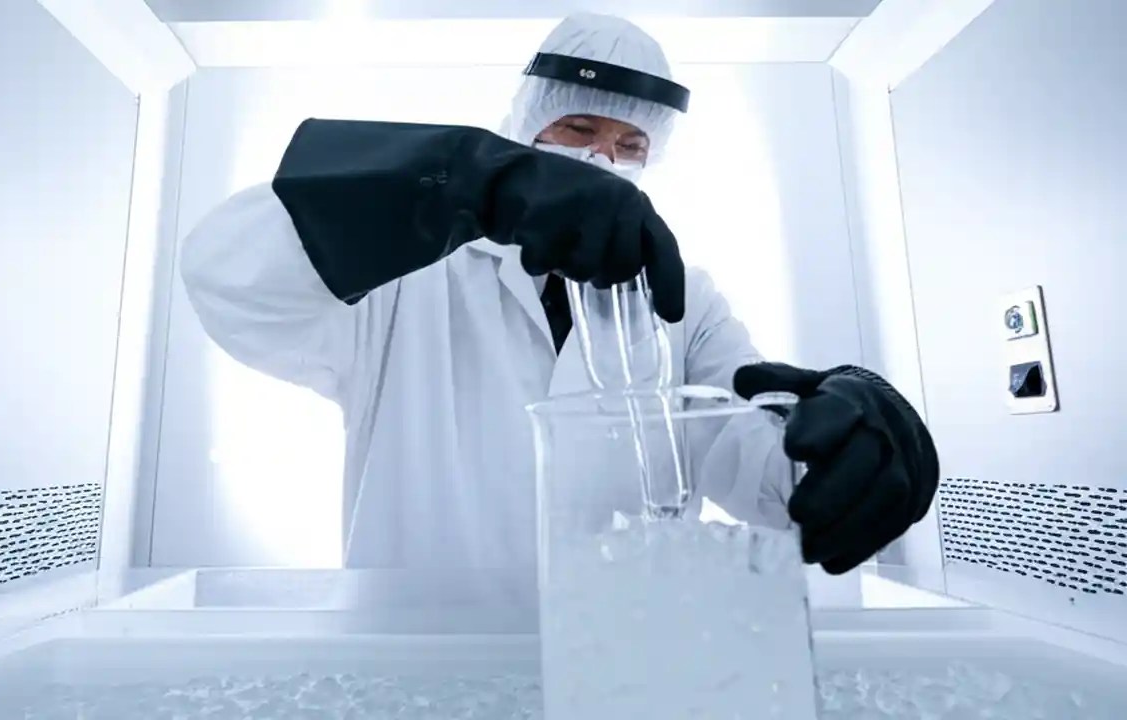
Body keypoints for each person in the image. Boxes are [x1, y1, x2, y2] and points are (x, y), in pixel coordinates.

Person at [180, 14, 939, 586]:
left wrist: (844, 445)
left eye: (631, 144)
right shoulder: (409, 279)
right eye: (578, 127)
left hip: (621, 648)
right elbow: (232, 279)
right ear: (524, 130)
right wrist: (464, 183)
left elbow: (756, 466)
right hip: (422, 655)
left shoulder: (684, 301)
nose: (603, 157)